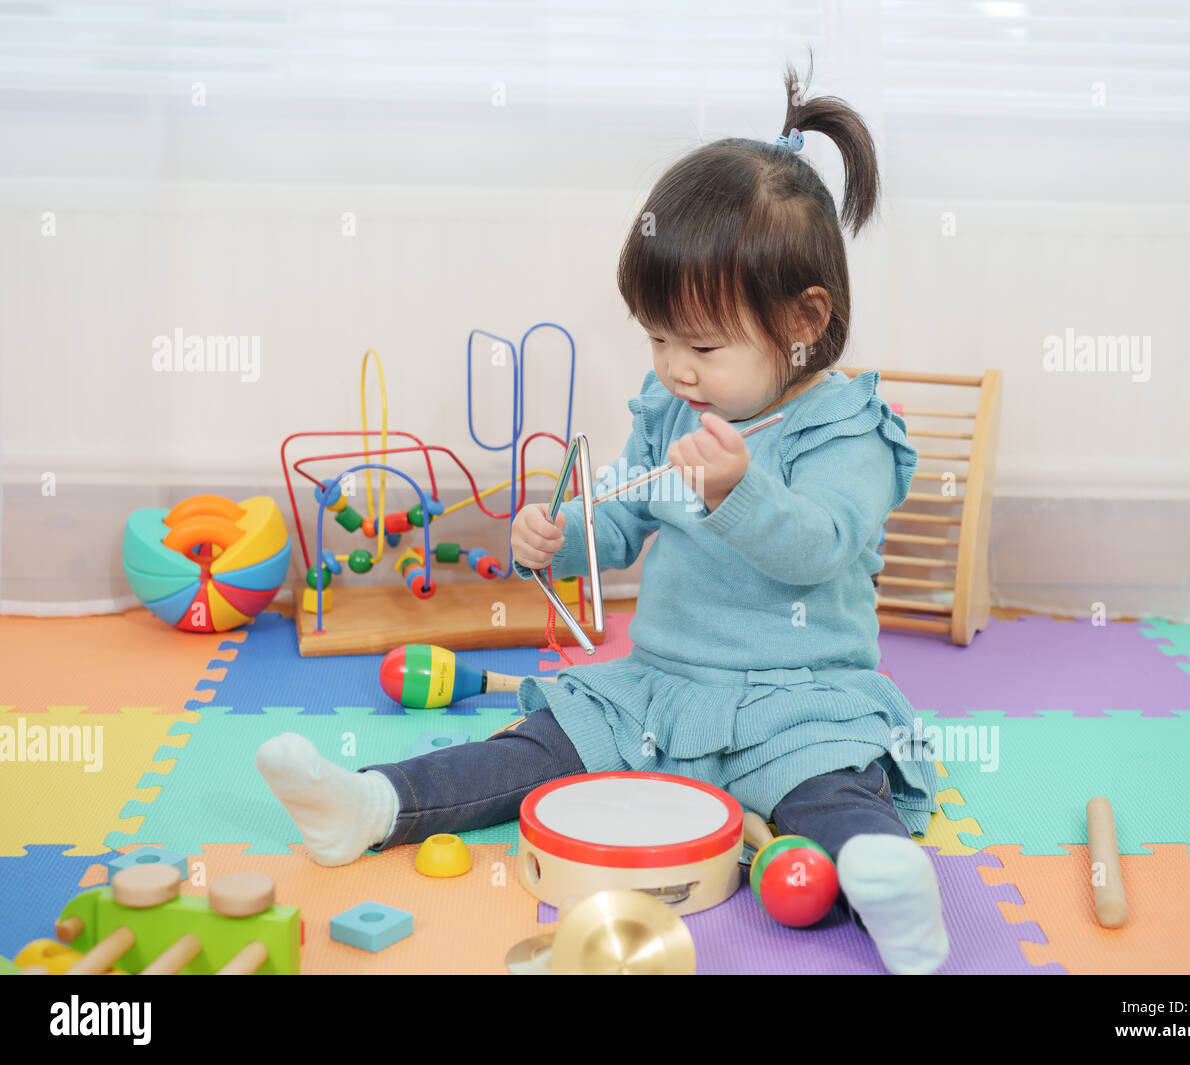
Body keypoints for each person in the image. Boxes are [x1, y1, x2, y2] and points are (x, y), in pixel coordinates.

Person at [256, 60, 949, 974]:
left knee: (832, 793)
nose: (674, 367)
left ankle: (888, 889)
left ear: (804, 321)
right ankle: (371, 805)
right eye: (657, 337)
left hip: (801, 697)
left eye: (700, 345)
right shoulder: (671, 409)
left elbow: (818, 548)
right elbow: (620, 518)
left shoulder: (847, 429)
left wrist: (737, 489)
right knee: (533, 745)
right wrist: (565, 533)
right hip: (658, 688)